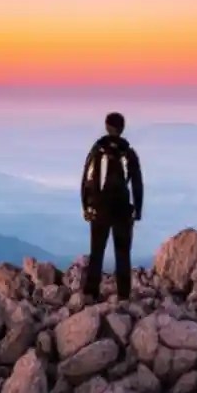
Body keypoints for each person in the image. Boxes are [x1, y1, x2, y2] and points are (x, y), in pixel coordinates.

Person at [80, 111, 144, 300]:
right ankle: (123, 295)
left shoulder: (97, 151)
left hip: (100, 209)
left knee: (96, 251)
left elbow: (87, 179)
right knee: (123, 253)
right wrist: (137, 210)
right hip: (123, 211)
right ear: (122, 128)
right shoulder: (128, 152)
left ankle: (91, 292)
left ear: (107, 126)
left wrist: (86, 206)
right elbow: (137, 184)